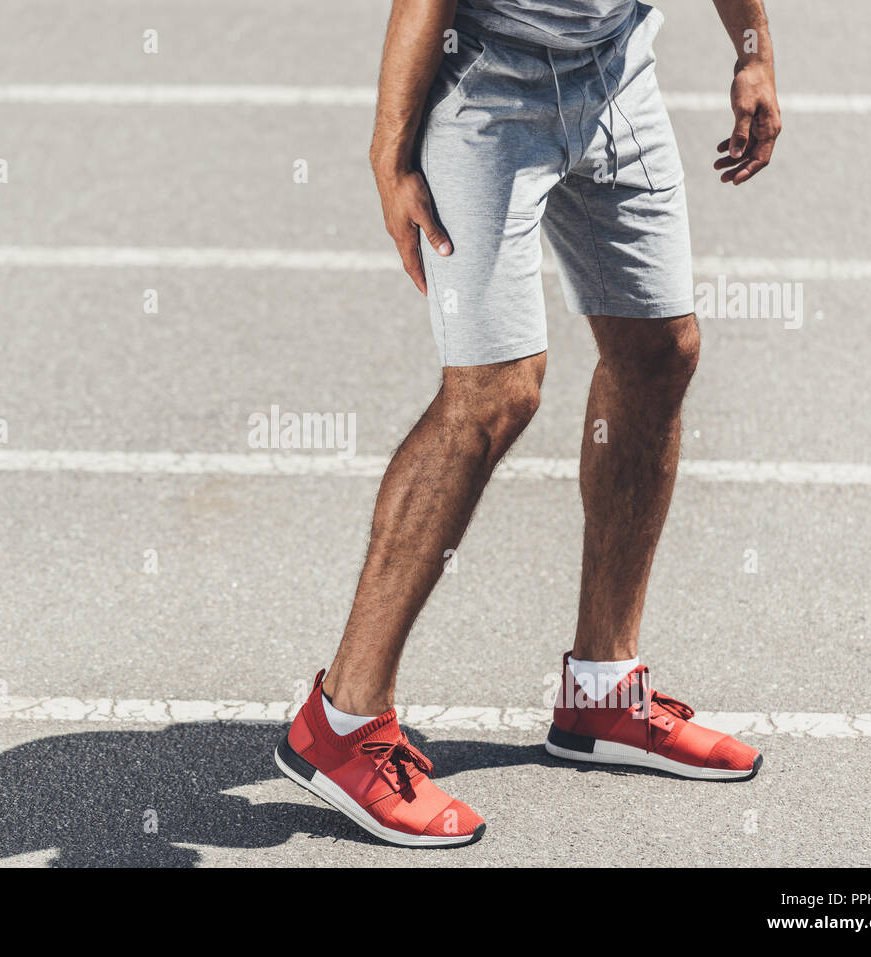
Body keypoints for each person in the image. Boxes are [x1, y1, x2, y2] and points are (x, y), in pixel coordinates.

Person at [275, 0, 782, 847]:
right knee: (494, 394)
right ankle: (341, 720)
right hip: (488, 85)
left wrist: (753, 49)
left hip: (617, 71)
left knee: (661, 352)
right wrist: (389, 150)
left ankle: (603, 693)